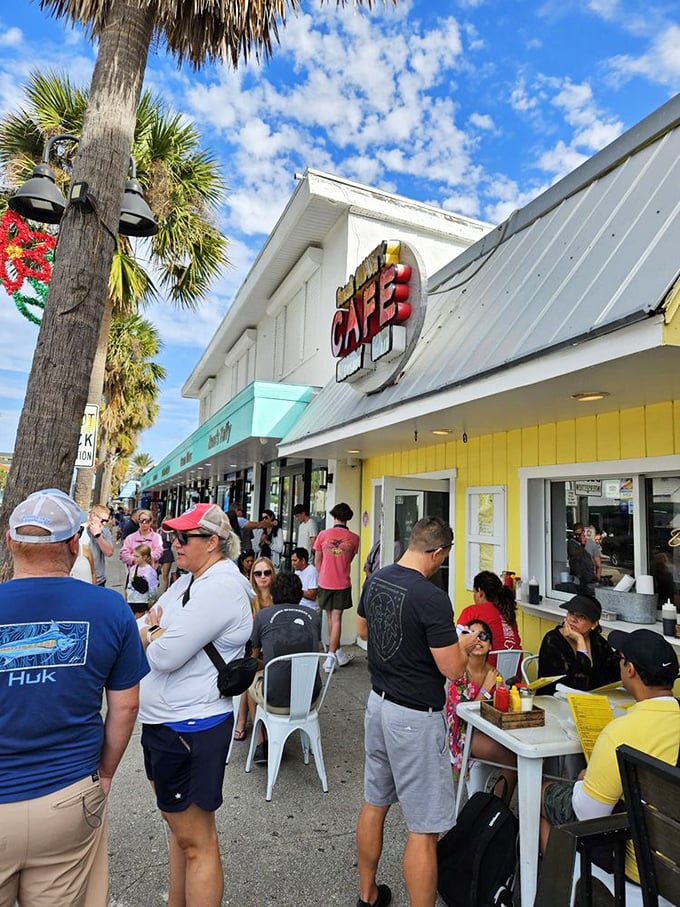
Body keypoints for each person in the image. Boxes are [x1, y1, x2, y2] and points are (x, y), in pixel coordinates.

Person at [0, 488, 148, 906]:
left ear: (11, 543)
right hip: (67, 794)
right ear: (72, 545)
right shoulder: (110, 609)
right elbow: (126, 705)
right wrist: (103, 775)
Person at [355, 516, 483, 907]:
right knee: (425, 829)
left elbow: (361, 630)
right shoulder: (432, 597)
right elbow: (452, 670)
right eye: (444, 556)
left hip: (378, 705)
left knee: (375, 803)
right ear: (438, 552)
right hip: (414, 716)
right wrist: (466, 643)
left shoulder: (377, 579)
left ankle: (368, 895)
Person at [138, 503, 252, 907]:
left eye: (184, 537)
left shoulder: (219, 585)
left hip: (190, 724)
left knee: (196, 842)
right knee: (181, 832)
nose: (175, 544)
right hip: (171, 722)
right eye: (173, 536)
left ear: (214, 543)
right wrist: (155, 630)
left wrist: (154, 633)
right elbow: (145, 623)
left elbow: (164, 653)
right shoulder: (191, 580)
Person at [540, 628, 680, 887]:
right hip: (672, 858)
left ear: (630, 669)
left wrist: (583, 781)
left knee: (542, 795)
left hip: (643, 869)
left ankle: (563, 891)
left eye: (621, 658)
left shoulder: (620, 732)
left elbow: (588, 814)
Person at [247, 573, 322, 764]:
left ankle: (260, 742)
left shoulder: (264, 616)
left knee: (250, 679)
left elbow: (254, 657)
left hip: (275, 700)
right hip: (310, 697)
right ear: (299, 593)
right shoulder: (313, 616)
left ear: (273, 593)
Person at [446, 619, 517, 800]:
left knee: (520, 754)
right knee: (513, 759)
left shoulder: (494, 673)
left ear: (491, 644)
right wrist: (485, 689)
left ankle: (496, 807)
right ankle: (495, 809)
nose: (478, 640)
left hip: (490, 729)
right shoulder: (458, 674)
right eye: (472, 635)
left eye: (483, 636)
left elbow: (500, 707)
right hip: (463, 733)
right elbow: (463, 715)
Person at [537, 594, 619, 694]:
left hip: (591, 700)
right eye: (571, 613)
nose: (573, 619)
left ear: (594, 624)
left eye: (582, 617)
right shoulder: (553, 640)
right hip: (555, 701)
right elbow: (576, 685)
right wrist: (580, 641)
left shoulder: (597, 641)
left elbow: (615, 675)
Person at [314, 502, 360, 672]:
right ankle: (333, 655)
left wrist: (324, 573)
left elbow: (317, 560)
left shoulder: (323, 535)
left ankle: (333, 654)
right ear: (348, 518)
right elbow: (349, 560)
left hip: (325, 582)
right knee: (337, 618)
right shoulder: (354, 538)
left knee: (330, 618)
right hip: (342, 581)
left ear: (333, 516)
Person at [457, 570, 522, 668]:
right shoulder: (507, 611)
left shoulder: (472, 611)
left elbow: (457, 640)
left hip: (485, 672)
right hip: (513, 674)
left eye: (474, 592)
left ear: (480, 592)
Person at [125, 543, 159, 618]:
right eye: (133, 555)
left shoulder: (150, 571)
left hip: (142, 601)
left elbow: (153, 587)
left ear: (144, 557)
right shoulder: (133, 568)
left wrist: (151, 600)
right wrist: (126, 595)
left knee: (138, 621)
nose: (134, 558)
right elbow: (129, 583)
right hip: (131, 599)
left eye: (137, 556)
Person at [84, 504, 114, 586]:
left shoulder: (104, 531)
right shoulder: (80, 531)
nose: (104, 523)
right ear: (93, 515)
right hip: (82, 579)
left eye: (106, 521)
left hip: (99, 580)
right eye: (102, 520)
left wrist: (98, 536)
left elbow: (109, 553)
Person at [567, 522, 597, 591]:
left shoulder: (589, 543)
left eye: (579, 534)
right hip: (578, 577)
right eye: (576, 534)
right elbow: (577, 556)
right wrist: (582, 545)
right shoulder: (571, 543)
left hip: (588, 577)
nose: (578, 536)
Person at [158, 528, 175, 594]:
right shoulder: (159, 530)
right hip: (159, 553)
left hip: (167, 552)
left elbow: (171, 540)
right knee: (155, 573)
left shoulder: (171, 532)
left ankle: (164, 592)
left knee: (165, 575)